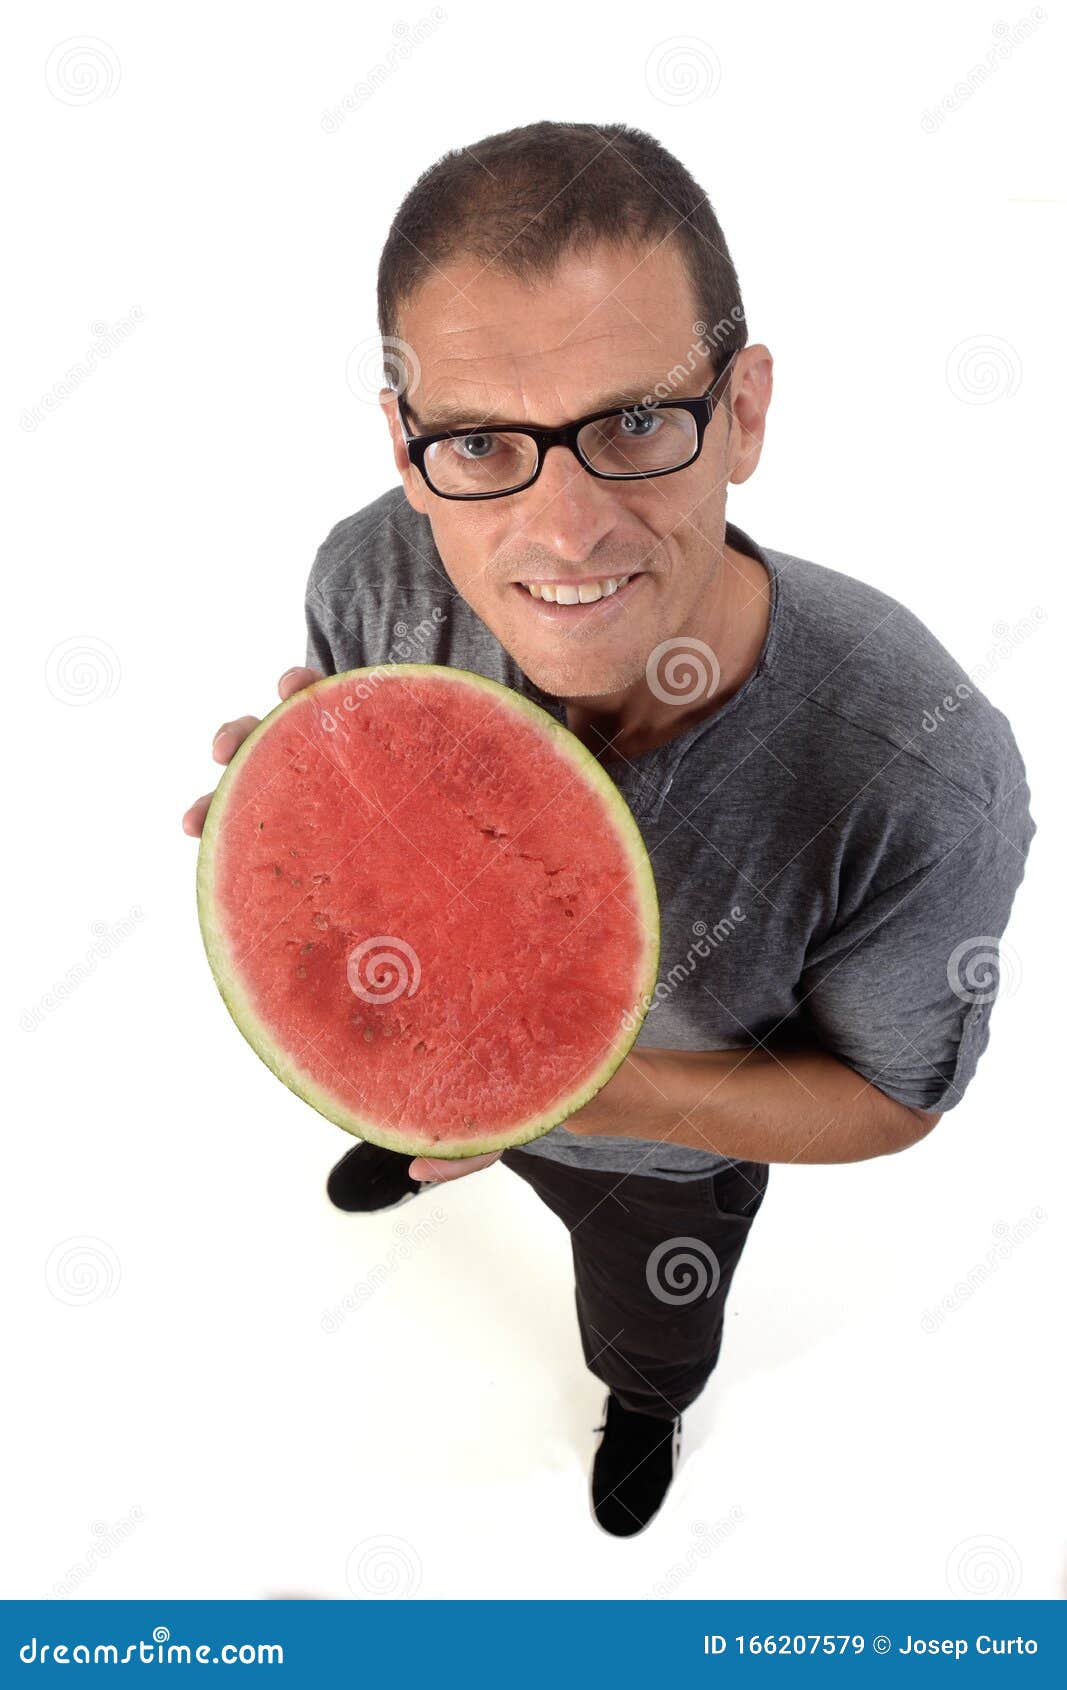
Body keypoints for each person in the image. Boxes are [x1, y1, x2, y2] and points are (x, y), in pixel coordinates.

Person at [183, 121, 1035, 1538]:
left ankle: (643, 1408)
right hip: (430, 1023)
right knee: (411, 1103)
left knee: (651, 1326)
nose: (564, 530)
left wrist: (580, 1092)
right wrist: (306, 831)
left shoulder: (923, 778)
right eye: (480, 442)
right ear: (407, 445)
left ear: (745, 412)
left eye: (635, 423)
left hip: (667, 1162)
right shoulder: (368, 577)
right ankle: (405, 1140)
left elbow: (897, 1098)